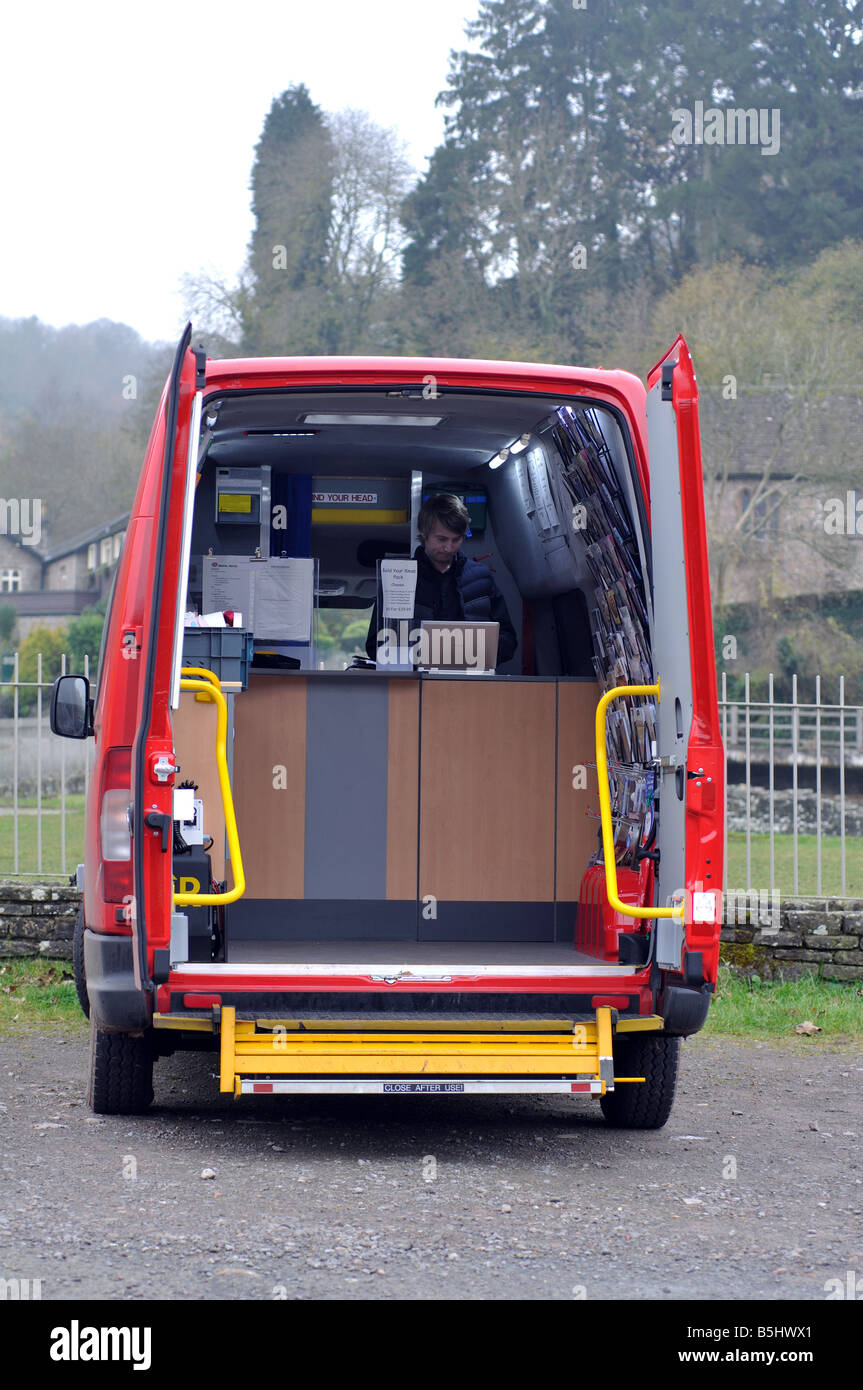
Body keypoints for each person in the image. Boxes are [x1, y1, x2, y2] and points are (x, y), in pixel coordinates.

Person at [365, 492, 518, 668]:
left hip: (470, 683)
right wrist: (420, 654)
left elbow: (508, 640)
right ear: (423, 532)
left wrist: (474, 651)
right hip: (414, 685)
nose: (448, 547)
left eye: (456, 539)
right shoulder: (398, 578)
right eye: (442, 539)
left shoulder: (482, 578)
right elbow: (374, 645)